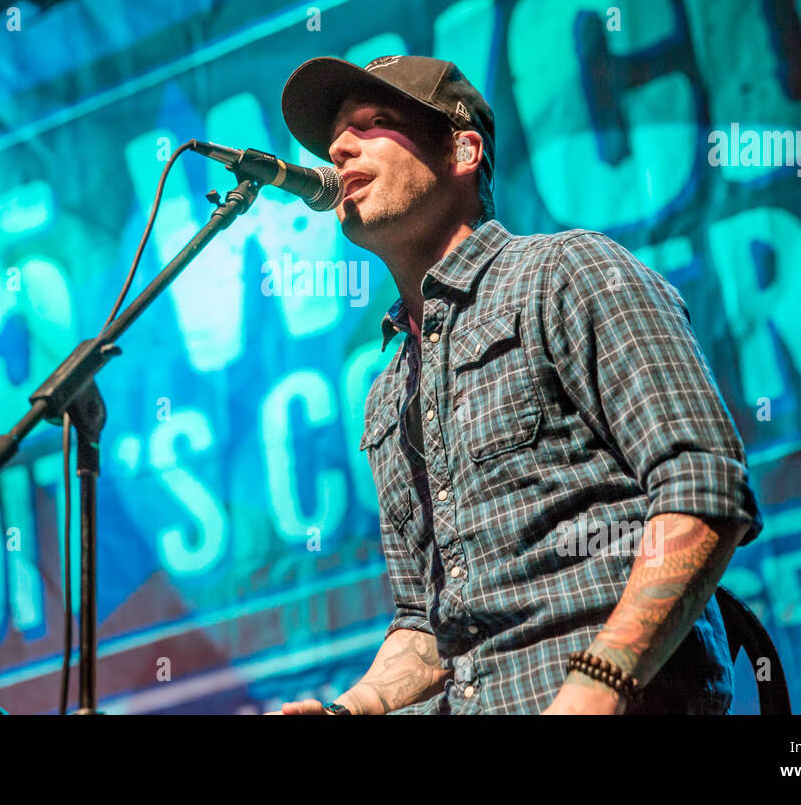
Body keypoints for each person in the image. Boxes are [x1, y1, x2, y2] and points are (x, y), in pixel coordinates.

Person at [267, 54, 763, 715]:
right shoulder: (388, 392)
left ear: (464, 150)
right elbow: (427, 623)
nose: (337, 148)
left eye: (375, 123)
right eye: (336, 138)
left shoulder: (569, 272)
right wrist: (353, 709)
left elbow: (704, 488)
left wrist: (597, 685)